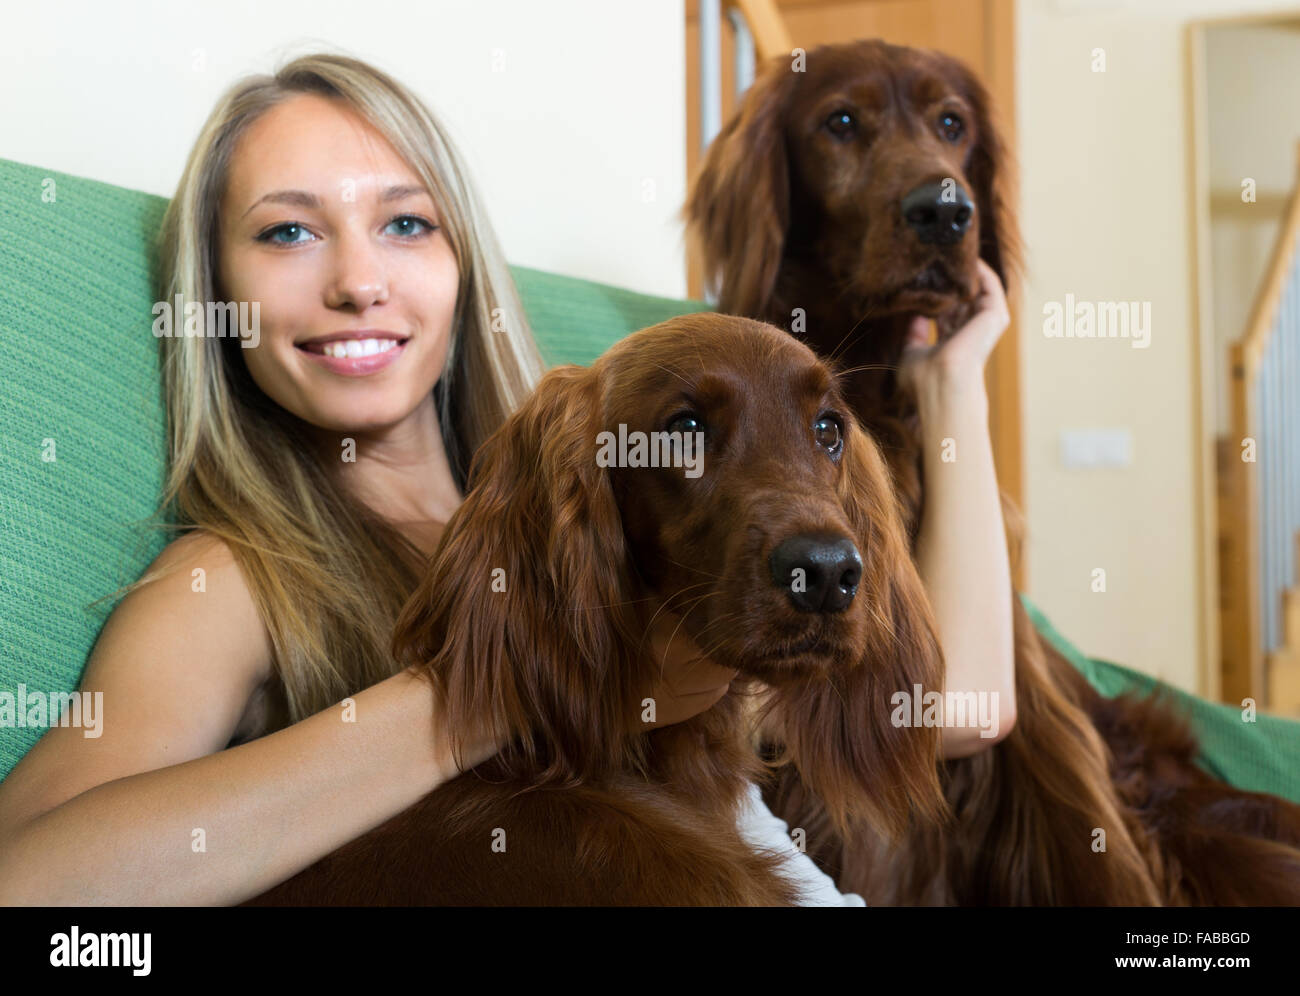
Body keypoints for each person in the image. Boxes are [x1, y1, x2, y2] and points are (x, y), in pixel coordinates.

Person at [0, 53, 741, 906]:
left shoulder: (622, 510)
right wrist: (496, 689)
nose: (358, 283)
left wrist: (939, 377)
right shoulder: (231, 580)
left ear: (465, 267)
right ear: (215, 296)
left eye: (406, 224)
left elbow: (928, 715)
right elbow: (31, 883)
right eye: (288, 232)